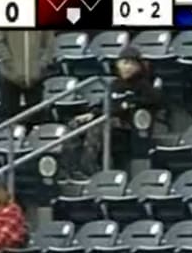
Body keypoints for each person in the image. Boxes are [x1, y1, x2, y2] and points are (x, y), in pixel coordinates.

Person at [68, 46, 163, 176]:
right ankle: (73, 170)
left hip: (127, 125)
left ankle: (91, 170)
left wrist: (129, 104)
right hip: (108, 117)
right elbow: (105, 104)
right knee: (74, 124)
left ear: (139, 66)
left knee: (98, 126)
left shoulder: (143, 85)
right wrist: (92, 113)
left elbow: (154, 100)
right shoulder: (114, 85)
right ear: (118, 64)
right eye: (124, 63)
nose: (127, 67)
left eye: (132, 63)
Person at [0, 30, 55, 121]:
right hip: (9, 77)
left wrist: (43, 63)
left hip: (35, 77)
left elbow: (49, 44)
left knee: (36, 117)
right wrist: (10, 63)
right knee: (9, 117)